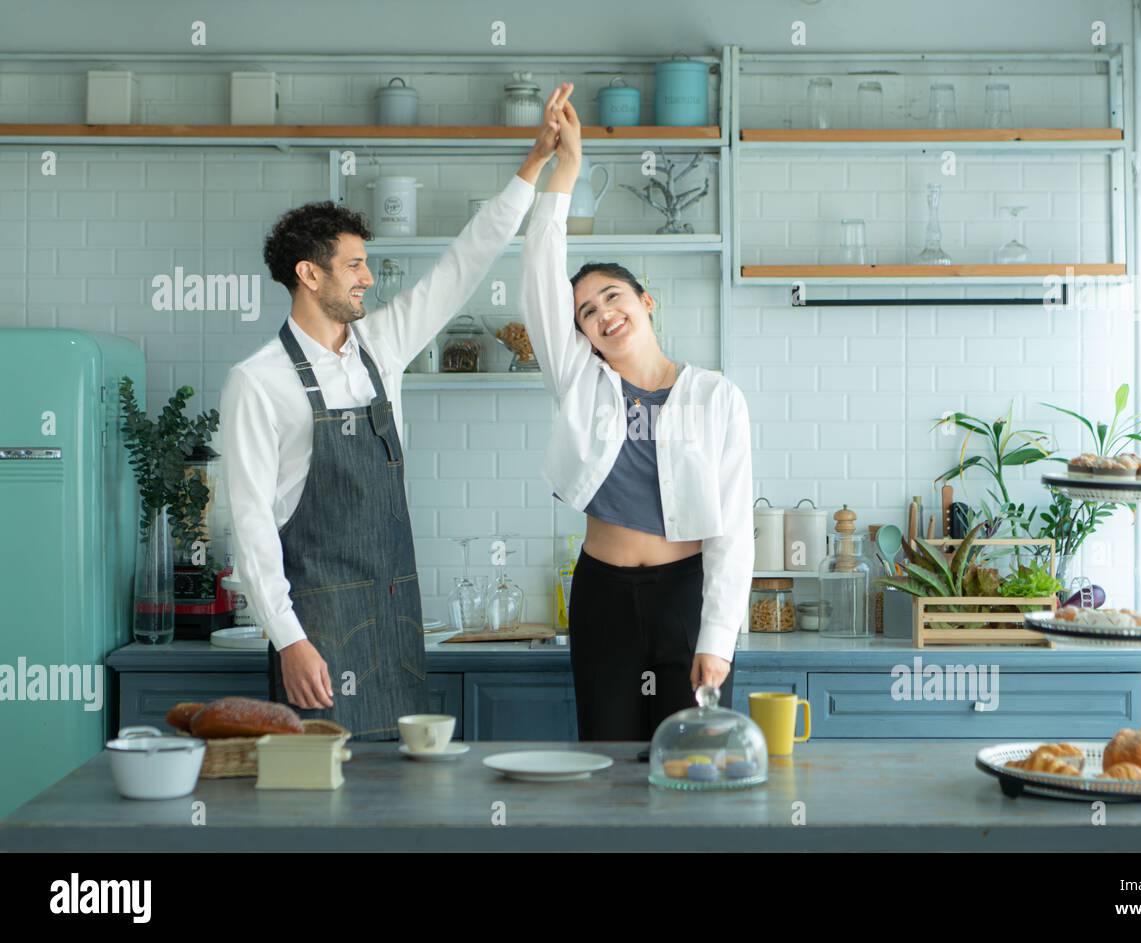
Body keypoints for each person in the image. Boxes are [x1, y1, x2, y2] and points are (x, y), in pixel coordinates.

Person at [220, 86, 574, 740]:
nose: (367, 278)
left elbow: (464, 262)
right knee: (321, 803)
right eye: (353, 264)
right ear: (309, 274)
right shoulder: (257, 383)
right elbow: (250, 529)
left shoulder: (382, 346)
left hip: (396, 621)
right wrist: (289, 638)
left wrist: (534, 165)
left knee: (398, 800)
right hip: (316, 633)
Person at [520, 93, 754, 742]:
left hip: (687, 595)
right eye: (587, 313)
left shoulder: (717, 397)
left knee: (693, 763)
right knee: (610, 770)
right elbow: (539, 272)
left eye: (612, 297)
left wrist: (720, 638)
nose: (602, 314)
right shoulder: (580, 384)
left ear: (646, 301)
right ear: (583, 335)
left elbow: (733, 530)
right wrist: (562, 171)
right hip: (603, 596)